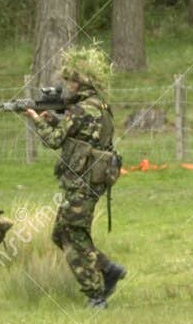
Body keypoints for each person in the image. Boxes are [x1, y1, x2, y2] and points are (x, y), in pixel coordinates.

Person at [26, 43, 127, 308]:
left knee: (72, 236)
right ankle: (107, 269)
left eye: (70, 81)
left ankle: (96, 294)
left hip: (83, 183)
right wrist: (55, 118)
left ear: (81, 84)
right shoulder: (99, 107)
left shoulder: (81, 110)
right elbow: (83, 134)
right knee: (61, 234)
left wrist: (36, 119)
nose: (66, 86)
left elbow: (54, 141)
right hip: (89, 181)